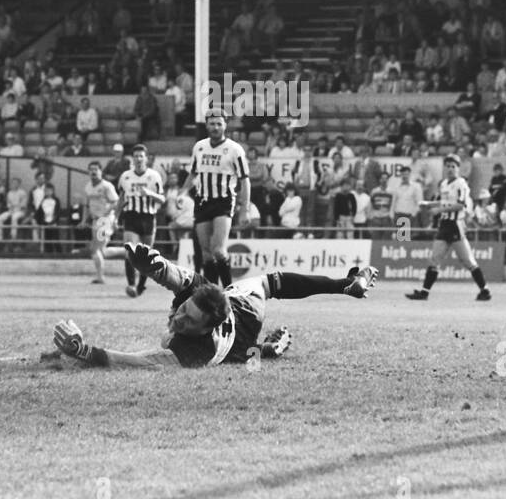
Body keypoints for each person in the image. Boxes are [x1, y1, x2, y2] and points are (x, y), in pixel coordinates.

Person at [49, 243, 379, 369]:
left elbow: (134, 361)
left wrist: (83, 351)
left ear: (206, 328)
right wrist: (154, 267)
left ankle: (266, 348)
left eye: (188, 321)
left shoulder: (195, 352)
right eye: (183, 311)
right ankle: (345, 285)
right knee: (266, 283)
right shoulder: (197, 296)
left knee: (246, 349)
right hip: (231, 301)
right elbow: (180, 279)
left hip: (246, 316)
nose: (179, 319)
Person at [404, 155, 491, 302]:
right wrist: (429, 204)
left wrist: (439, 210)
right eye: (448, 166)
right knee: (434, 259)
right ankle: (424, 293)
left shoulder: (461, 184)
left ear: (458, 168)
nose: (450, 169)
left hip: (456, 225)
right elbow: (445, 202)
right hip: (444, 225)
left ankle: (485, 290)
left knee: (468, 261)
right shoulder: (444, 183)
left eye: (453, 166)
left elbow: (460, 205)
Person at [181, 111, 250, 286]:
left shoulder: (235, 149)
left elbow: (244, 180)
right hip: (203, 201)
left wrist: (245, 209)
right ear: (206, 125)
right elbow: (193, 174)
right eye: (212, 124)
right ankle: (212, 293)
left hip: (223, 202)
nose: (216, 127)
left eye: (219, 124)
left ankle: (228, 290)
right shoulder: (199, 147)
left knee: (218, 250)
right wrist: (182, 192)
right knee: (206, 253)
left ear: (225, 125)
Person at [115, 144, 166, 297]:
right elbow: (121, 199)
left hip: (148, 217)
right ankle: (131, 284)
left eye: (141, 156)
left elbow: (162, 199)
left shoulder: (154, 176)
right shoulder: (125, 176)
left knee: (146, 254)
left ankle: (141, 285)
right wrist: (115, 217)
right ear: (132, 158)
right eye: (136, 156)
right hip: (131, 216)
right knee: (130, 250)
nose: (138, 159)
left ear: (146, 158)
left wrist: (149, 193)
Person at [83, 161, 120, 284]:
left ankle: (100, 277)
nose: (93, 172)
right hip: (96, 220)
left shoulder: (107, 186)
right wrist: (84, 220)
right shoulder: (88, 186)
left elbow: (116, 202)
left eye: (96, 169)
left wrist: (105, 214)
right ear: (88, 172)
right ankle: (127, 251)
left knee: (95, 249)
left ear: (101, 171)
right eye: (91, 169)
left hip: (105, 220)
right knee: (101, 250)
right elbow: (86, 205)